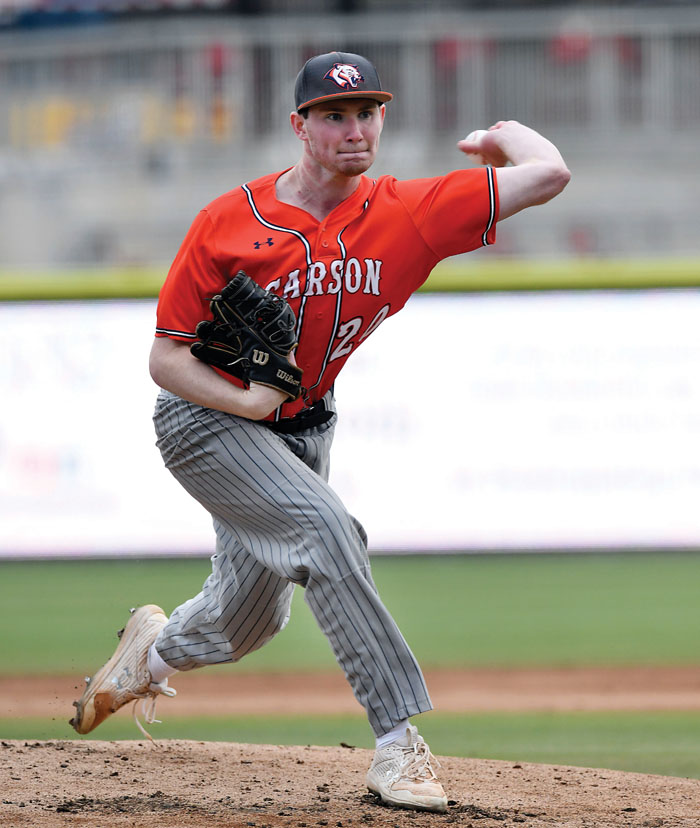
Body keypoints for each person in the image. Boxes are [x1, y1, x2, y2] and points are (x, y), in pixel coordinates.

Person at [70, 51, 570, 813]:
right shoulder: (227, 221)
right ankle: (398, 744)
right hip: (206, 423)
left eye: (367, 113)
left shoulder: (409, 212)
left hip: (304, 431)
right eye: (334, 116)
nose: (354, 129)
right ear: (299, 127)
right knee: (329, 531)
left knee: (246, 621)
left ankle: (151, 654)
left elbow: (550, 173)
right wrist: (245, 404)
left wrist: (505, 136)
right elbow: (165, 359)